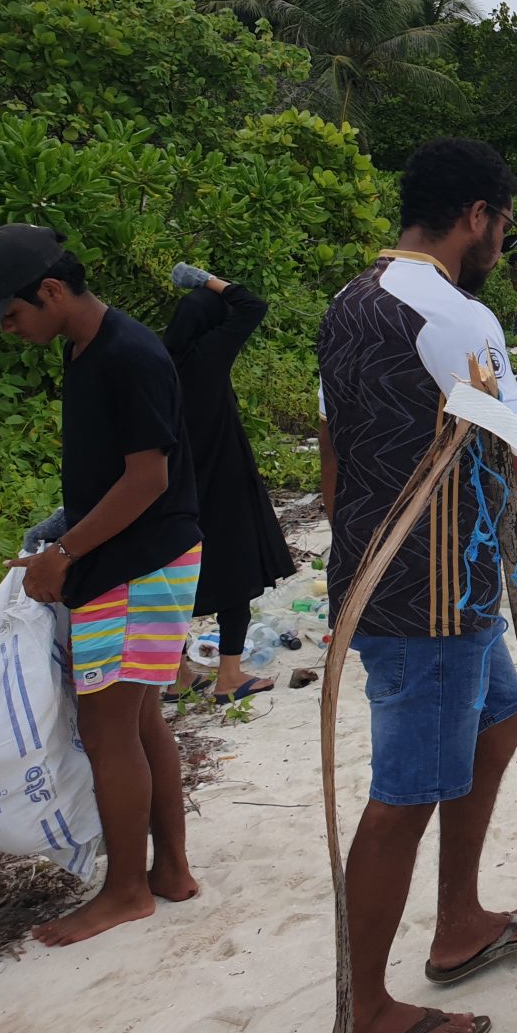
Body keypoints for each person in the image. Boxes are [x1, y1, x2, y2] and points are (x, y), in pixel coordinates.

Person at [317, 138, 517, 1033]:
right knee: (405, 792)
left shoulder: (353, 299)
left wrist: (359, 538)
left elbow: (340, 446)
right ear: (475, 218)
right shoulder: (457, 314)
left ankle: (458, 922)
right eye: (503, 223)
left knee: (502, 720)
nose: (503, 240)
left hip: (384, 572)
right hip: (433, 596)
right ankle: (364, 1014)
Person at [0, 225, 202, 946]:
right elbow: (116, 467)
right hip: (138, 559)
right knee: (139, 721)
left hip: (139, 565)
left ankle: (126, 891)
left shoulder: (126, 354)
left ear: (49, 291)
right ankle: (169, 871)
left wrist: (65, 553)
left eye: (12, 316)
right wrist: (62, 531)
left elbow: (150, 477)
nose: (12, 332)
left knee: (107, 729)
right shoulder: (88, 350)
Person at [160, 265, 296, 704]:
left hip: (174, 491)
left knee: (175, 581)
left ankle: (177, 675)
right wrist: (206, 279)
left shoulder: (159, 367)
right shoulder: (206, 358)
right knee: (236, 578)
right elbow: (252, 305)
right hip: (224, 482)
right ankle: (230, 676)